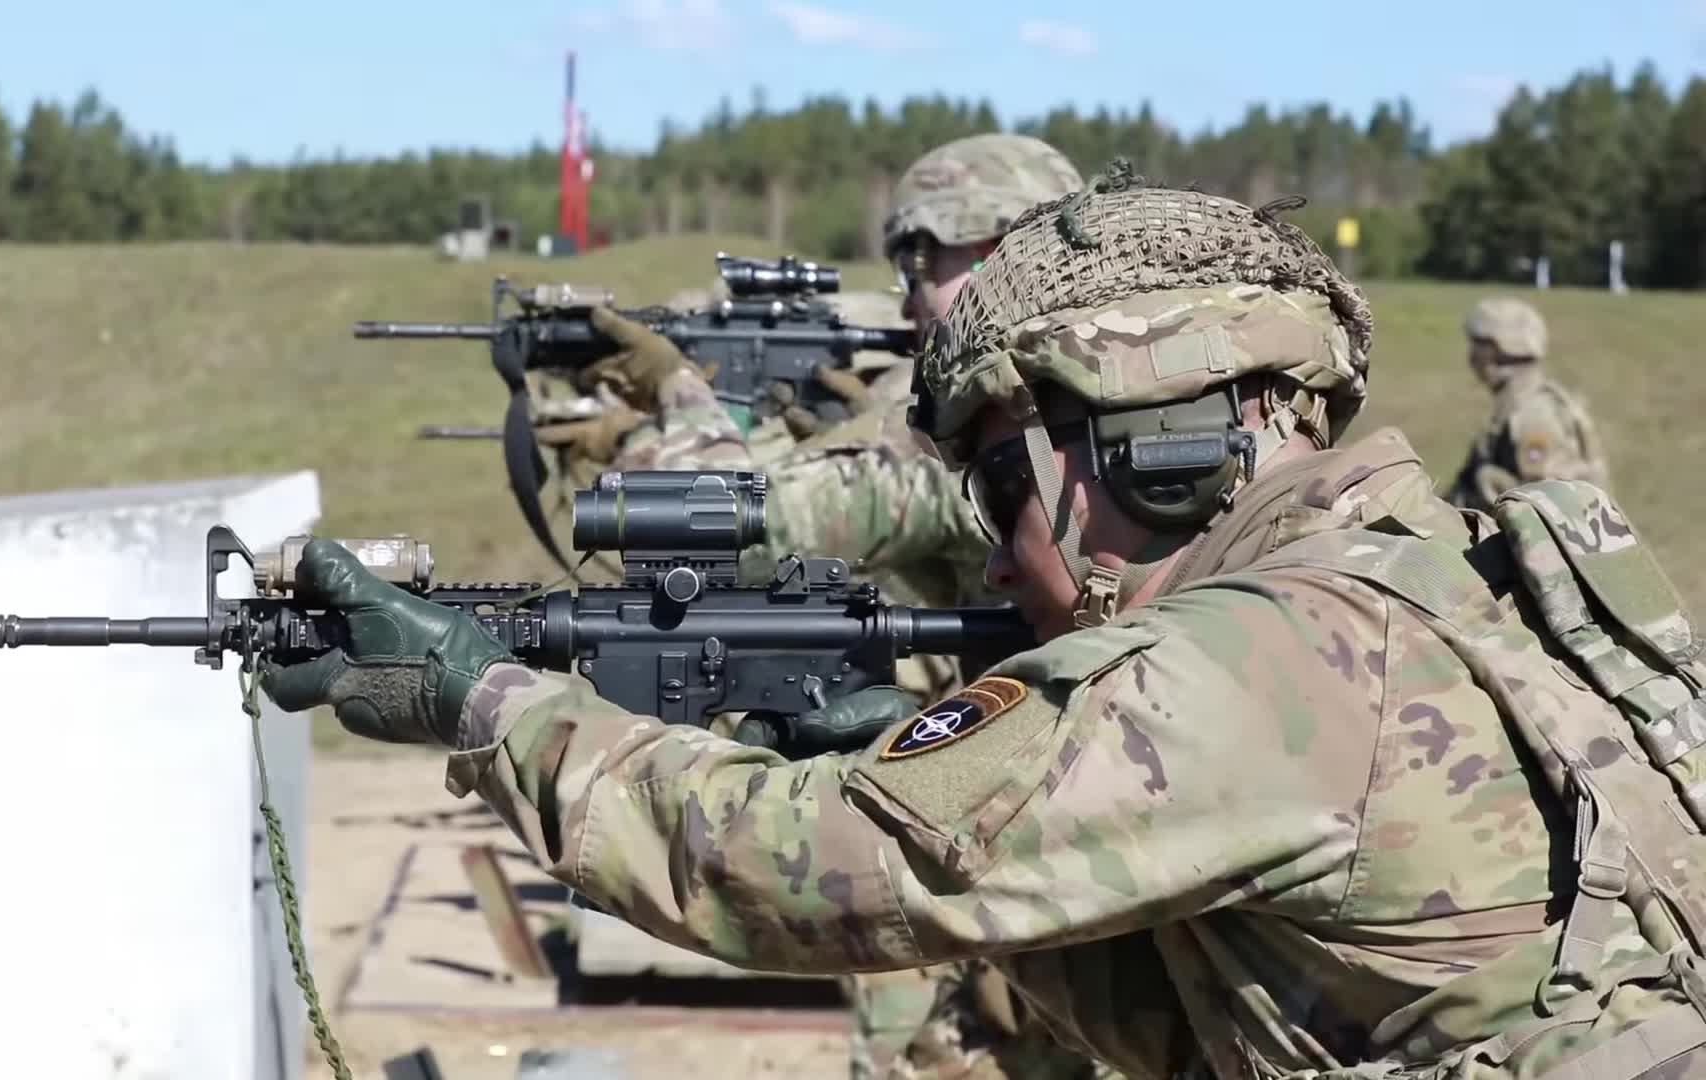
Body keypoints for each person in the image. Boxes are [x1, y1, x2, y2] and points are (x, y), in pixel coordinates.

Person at [261, 177, 1706, 1078]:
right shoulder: (1442, 571)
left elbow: (820, 875)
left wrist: (487, 703)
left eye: (1001, 471)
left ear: (1135, 450)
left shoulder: (1260, 657)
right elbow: (1215, 1015)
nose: (1006, 532)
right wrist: (903, 762)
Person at [590, 133, 1095, 1079]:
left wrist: (675, 390)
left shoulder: (998, 422)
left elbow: (728, 525)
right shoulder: (1126, 398)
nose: (906, 292)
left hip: (1028, 900)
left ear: (995, 252)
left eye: (922, 260)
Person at [1446, 297, 1609, 513]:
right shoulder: (1519, 405)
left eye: (1479, 344)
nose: (1472, 354)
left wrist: (1487, 486)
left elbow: (1547, 509)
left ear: (1499, 349)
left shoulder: (1532, 416)